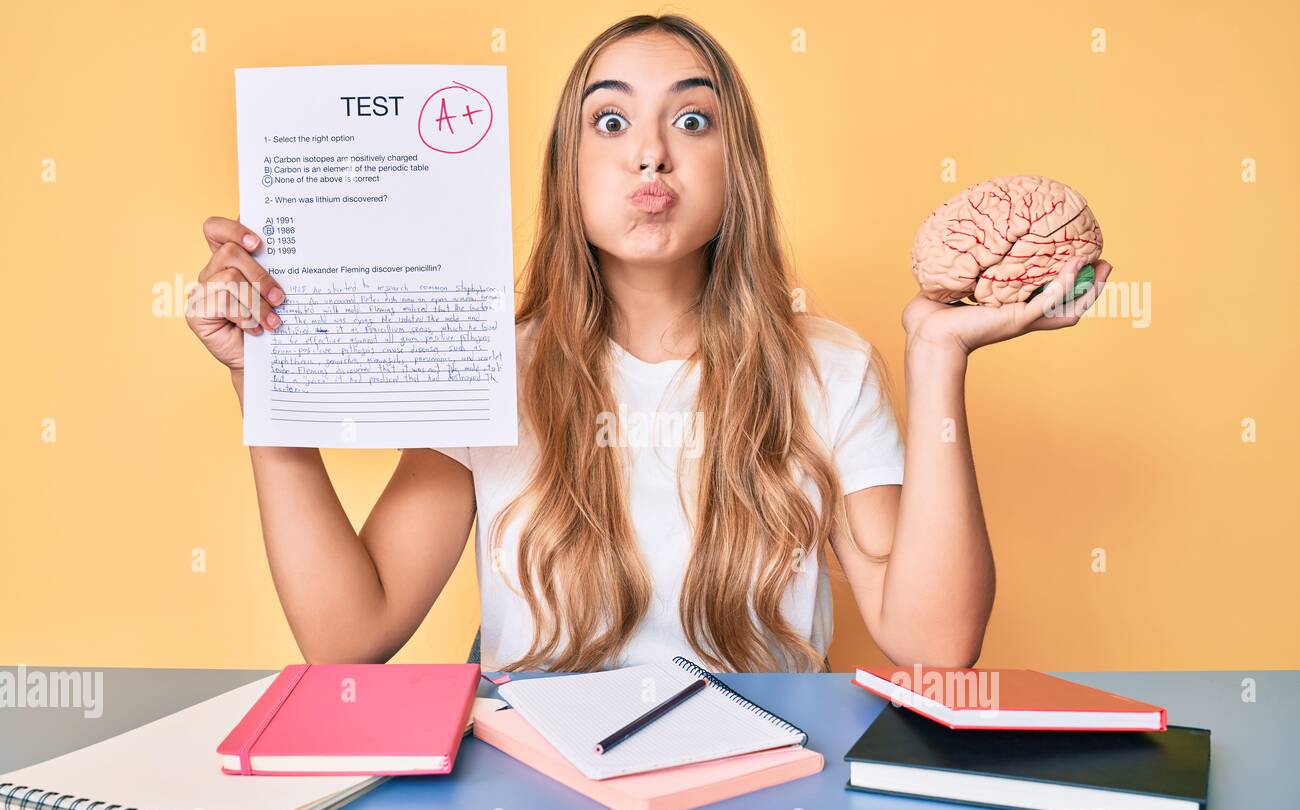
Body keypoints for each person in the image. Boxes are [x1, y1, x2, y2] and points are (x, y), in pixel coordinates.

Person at [184, 14, 1112, 673]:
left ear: (732, 167)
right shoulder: (488, 365)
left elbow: (935, 642)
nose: (651, 152)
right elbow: (350, 634)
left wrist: (937, 360)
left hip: (760, 804)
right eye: (612, 119)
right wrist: (269, 383)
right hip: (541, 807)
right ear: (568, 169)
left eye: (693, 120)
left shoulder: (829, 368)